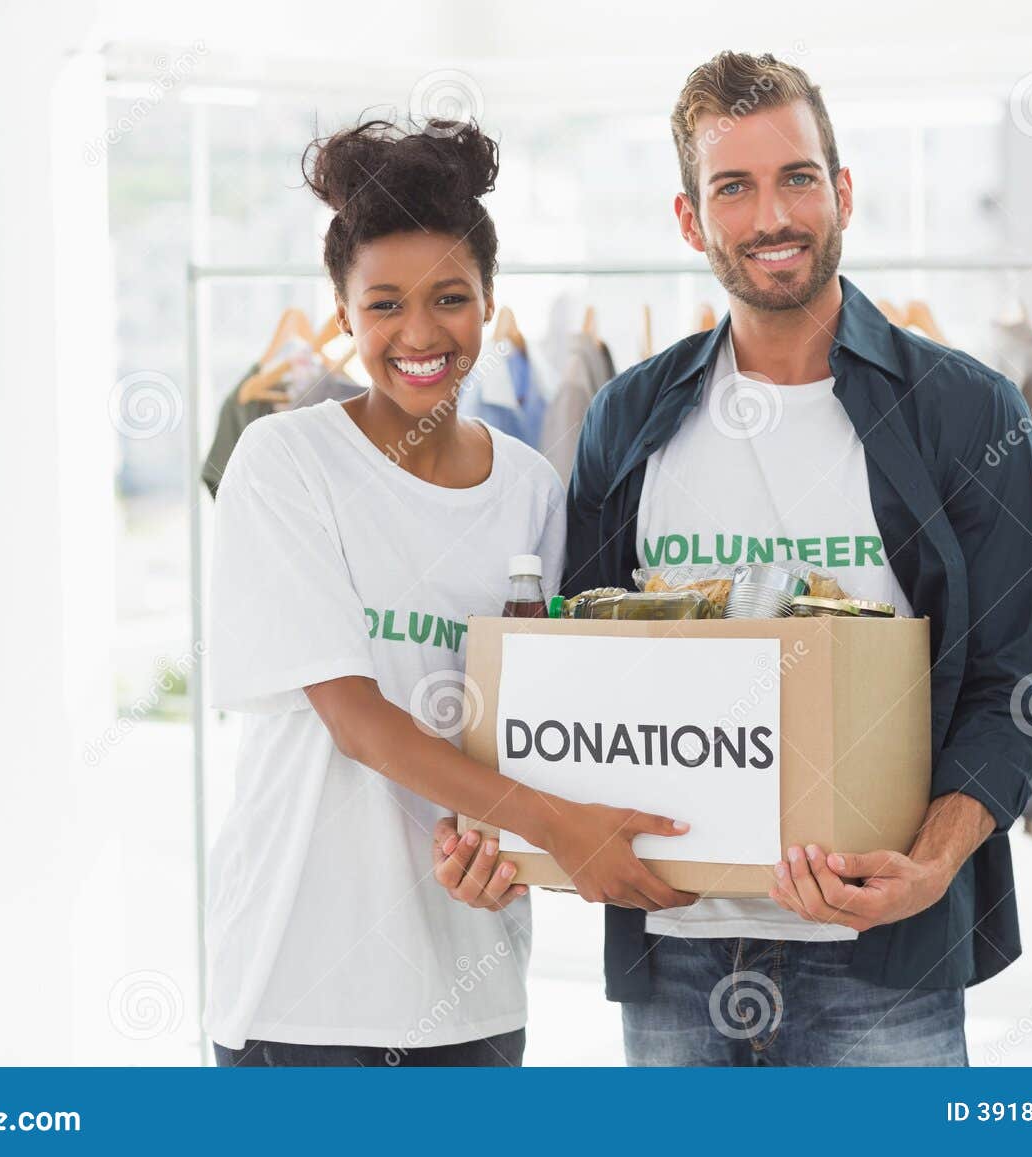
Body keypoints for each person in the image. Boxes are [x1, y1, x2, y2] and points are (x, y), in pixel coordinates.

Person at [440, 52, 1032, 1067]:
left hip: (881, 961)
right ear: (691, 219)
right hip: (678, 950)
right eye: (734, 186)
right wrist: (505, 831)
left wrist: (933, 862)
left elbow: (1016, 679)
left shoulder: (965, 410)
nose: (772, 214)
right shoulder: (629, 415)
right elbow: (576, 670)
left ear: (841, 190)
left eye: (796, 177)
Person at [203, 117, 696, 1068]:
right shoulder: (285, 463)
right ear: (341, 313)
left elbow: (542, 728)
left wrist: (513, 847)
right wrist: (555, 826)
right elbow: (355, 718)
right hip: (301, 997)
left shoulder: (533, 490)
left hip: (471, 989)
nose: (420, 334)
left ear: (490, 302)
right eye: (384, 303)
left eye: (450, 298)